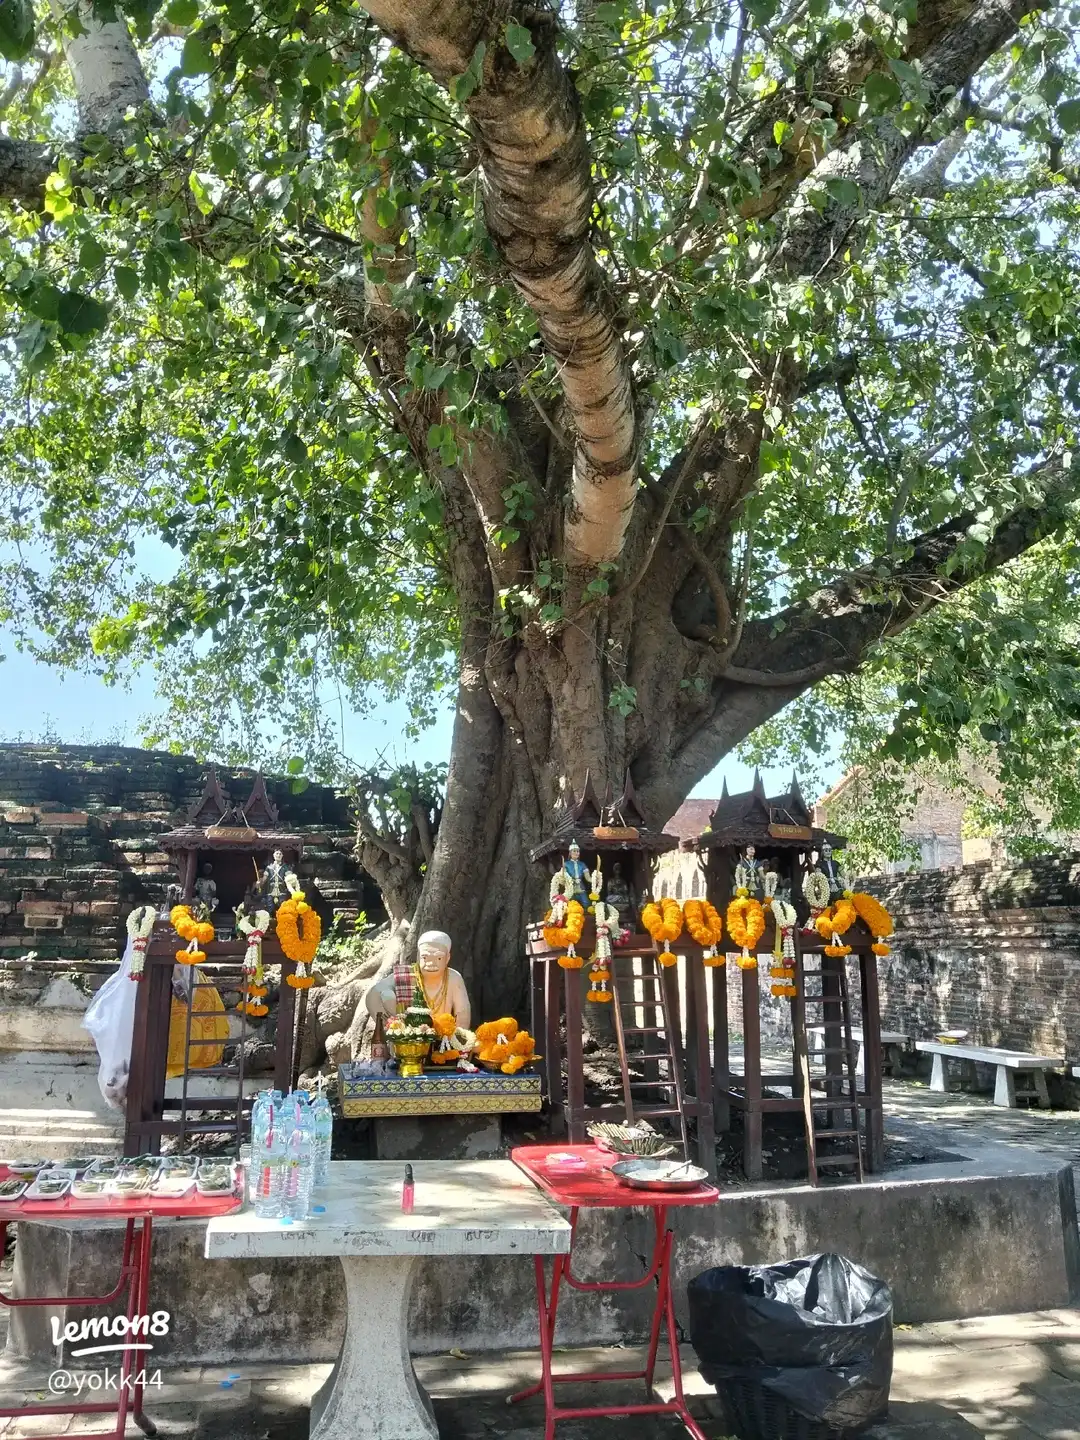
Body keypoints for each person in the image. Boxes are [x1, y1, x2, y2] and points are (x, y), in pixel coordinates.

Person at [365, 930, 471, 1029]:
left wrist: (458, 1039)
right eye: (425, 958)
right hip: (409, 1038)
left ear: (447, 958)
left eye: (439, 958)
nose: (431, 963)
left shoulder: (453, 977)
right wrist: (390, 1019)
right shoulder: (407, 974)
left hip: (443, 1038)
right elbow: (374, 993)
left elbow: (463, 1013)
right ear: (418, 957)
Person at [260, 848, 299, 913]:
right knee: (270, 909)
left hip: (281, 891)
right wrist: (260, 882)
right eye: (277, 853)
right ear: (273, 855)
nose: (278, 855)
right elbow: (264, 879)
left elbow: (289, 877)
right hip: (271, 891)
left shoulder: (285, 867)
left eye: (280, 854)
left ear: (282, 856)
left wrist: (292, 879)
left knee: (283, 909)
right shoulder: (269, 867)